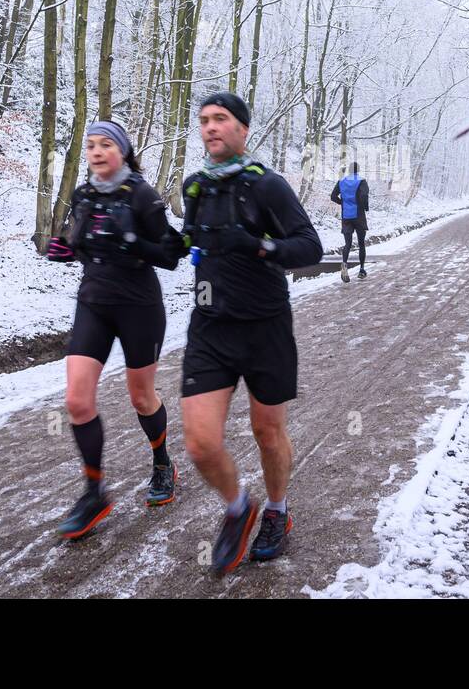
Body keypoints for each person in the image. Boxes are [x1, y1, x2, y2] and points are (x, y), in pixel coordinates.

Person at [175, 91, 322, 576]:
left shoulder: (267, 186)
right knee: (199, 442)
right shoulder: (194, 187)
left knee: (266, 430)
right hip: (209, 328)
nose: (211, 128)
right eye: (204, 121)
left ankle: (277, 509)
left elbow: (309, 248)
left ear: (242, 129)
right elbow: (190, 246)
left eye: (221, 119)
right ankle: (238, 507)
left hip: (265, 327)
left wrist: (259, 245)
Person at [44, 119, 185, 539]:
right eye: (91, 146)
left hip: (139, 306)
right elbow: (82, 240)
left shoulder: (142, 195)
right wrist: (67, 249)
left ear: (122, 151)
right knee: (76, 399)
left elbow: (171, 254)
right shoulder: (83, 194)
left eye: (106, 144)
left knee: (141, 397)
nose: (97, 152)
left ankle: (162, 462)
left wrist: (135, 244)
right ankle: (94, 492)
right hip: (94, 304)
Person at [329, 161, 369, 281]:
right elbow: (363, 196)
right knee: (361, 243)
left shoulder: (342, 181)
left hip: (346, 216)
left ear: (349, 170)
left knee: (348, 244)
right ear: (358, 170)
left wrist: (343, 203)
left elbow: (333, 196)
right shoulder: (361, 181)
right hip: (359, 216)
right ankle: (361, 270)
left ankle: (344, 264)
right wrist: (364, 207)